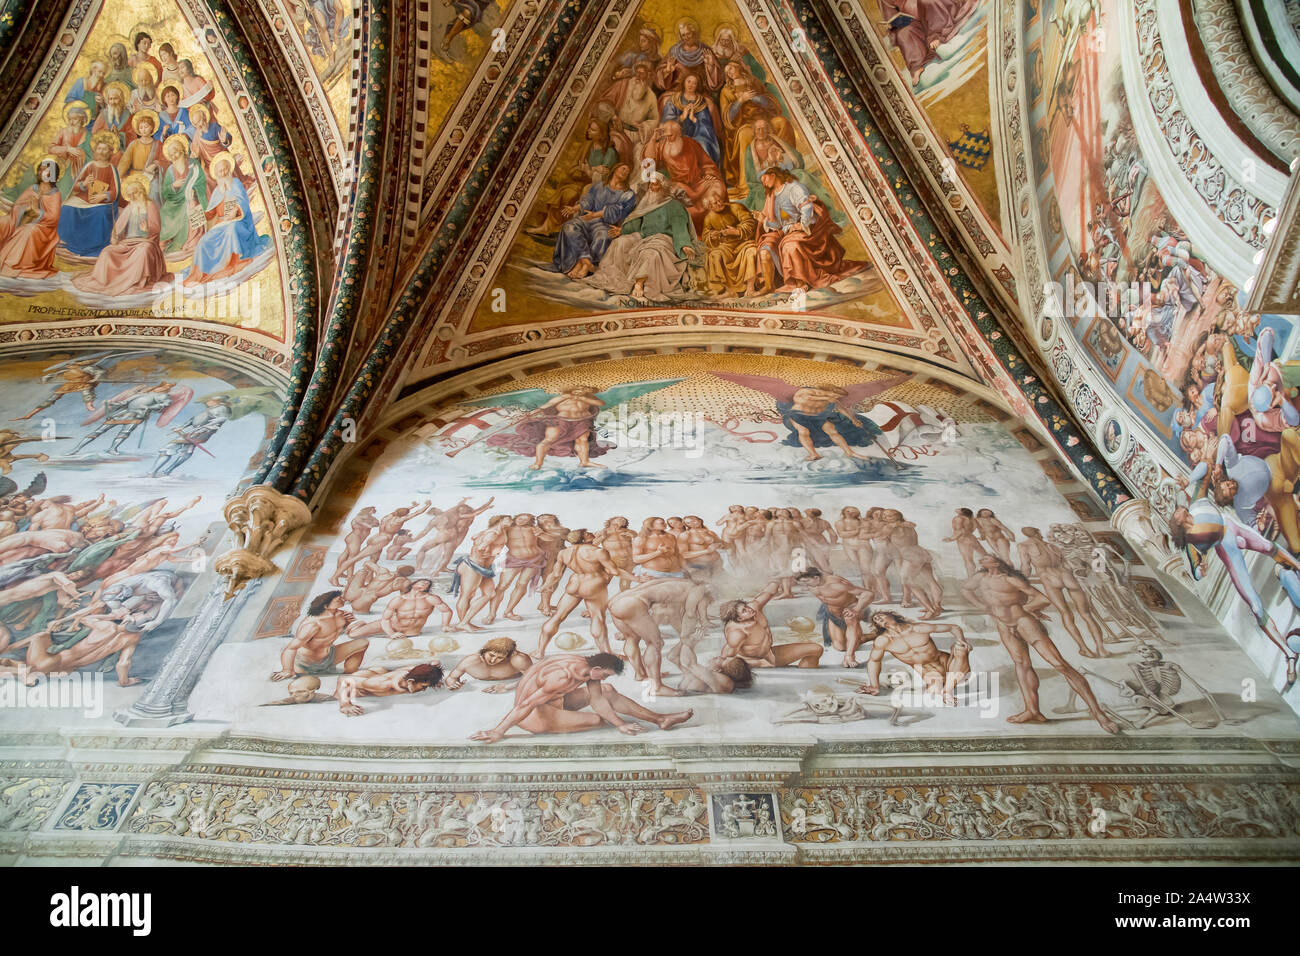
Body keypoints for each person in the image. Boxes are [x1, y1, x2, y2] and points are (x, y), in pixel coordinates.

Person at [962, 554, 1118, 732]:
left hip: (1024, 623)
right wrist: (984, 607)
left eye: (986, 558)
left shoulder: (1011, 579)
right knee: (1022, 665)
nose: (981, 560)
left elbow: (1043, 599)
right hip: (1003, 625)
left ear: (997, 563)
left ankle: (1099, 714)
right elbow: (966, 590)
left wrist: (1022, 611)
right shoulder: (979, 577)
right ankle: (1032, 711)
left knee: (1060, 665)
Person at [469, 652, 694, 742]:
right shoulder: (562, 677)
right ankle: (657, 719)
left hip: (555, 704)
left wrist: (621, 724)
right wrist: (499, 731)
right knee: (597, 720)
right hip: (535, 716)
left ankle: (660, 719)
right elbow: (527, 703)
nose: (604, 678)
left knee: (607, 692)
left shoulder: (584, 666)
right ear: (597, 668)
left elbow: (598, 699)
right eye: (605, 675)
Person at [585, 173, 697, 300]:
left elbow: (679, 226)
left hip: (664, 239)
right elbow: (637, 223)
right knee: (620, 242)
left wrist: (684, 244)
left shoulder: (673, 205)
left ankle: (640, 283)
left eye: (655, 184)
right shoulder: (647, 204)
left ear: (663, 187)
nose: (652, 187)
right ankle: (614, 276)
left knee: (650, 252)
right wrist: (623, 231)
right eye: (650, 184)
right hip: (644, 236)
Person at [607, 576, 711, 695]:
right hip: (630, 604)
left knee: (632, 637)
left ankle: (640, 674)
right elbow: (690, 613)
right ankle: (656, 687)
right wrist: (689, 634)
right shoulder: (699, 590)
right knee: (655, 643)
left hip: (618, 600)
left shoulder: (681, 583)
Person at [1018, 526, 1110, 659]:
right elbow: (1068, 564)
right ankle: (1101, 648)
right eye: (1039, 532)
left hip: (1049, 580)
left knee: (1066, 613)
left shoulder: (1023, 546)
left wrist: (1021, 583)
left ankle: (1084, 649)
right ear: (1037, 532)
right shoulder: (1052, 546)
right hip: (1067, 577)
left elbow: (1026, 567)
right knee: (1086, 614)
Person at [535, 529, 630, 657]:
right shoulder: (598, 551)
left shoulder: (564, 552)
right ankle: (606, 653)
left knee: (557, 617)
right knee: (598, 618)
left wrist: (545, 585)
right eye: (586, 533)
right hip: (592, 585)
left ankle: (539, 651)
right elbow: (614, 571)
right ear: (584, 539)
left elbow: (555, 574)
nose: (590, 533)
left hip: (574, 585)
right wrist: (635, 578)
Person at [755, 166, 851, 291]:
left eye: (765, 179)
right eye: (762, 182)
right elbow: (779, 224)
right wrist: (764, 220)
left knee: (790, 246)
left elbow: (806, 207)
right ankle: (770, 285)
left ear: (773, 175)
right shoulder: (772, 196)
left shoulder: (793, 188)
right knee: (766, 247)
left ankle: (799, 283)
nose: (764, 183)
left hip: (808, 228)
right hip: (786, 231)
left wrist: (801, 224)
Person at [72, 173, 168, 296]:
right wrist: (114, 236)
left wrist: (147, 228)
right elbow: (118, 226)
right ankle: (105, 282)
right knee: (107, 252)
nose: (133, 197)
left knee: (143, 251)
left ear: (142, 191)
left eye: (136, 193)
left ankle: (137, 281)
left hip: (146, 243)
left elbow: (157, 228)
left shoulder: (151, 206)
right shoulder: (130, 206)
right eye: (130, 195)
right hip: (128, 243)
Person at [185, 152, 270, 286]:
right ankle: (202, 273)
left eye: (225, 168)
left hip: (239, 221)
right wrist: (195, 208)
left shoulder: (235, 183)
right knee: (202, 242)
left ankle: (235, 262)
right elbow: (210, 214)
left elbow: (243, 201)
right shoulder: (217, 192)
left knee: (231, 230)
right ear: (216, 174)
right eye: (220, 171)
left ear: (229, 169)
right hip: (221, 223)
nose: (223, 172)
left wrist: (236, 210)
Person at [858, 611, 971, 705]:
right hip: (930, 673)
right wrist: (874, 685)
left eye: (881, 615)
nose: (877, 618)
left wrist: (962, 640)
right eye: (876, 620)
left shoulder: (918, 628)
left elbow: (953, 627)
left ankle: (947, 691)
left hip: (951, 665)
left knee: (960, 647)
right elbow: (874, 661)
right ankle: (945, 688)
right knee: (934, 692)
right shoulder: (883, 641)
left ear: (892, 616)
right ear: (879, 626)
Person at [486, 386, 610, 469]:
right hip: (560, 421)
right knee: (547, 440)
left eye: (584, 389)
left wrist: (582, 398)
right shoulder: (561, 398)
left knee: (582, 440)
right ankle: (538, 463)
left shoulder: (589, 399)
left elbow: (601, 403)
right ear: (572, 390)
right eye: (578, 389)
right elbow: (546, 406)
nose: (580, 390)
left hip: (581, 421)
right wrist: (534, 412)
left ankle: (584, 462)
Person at [550, 161, 636, 278]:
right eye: (623, 168)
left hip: (605, 224)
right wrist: (574, 209)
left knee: (603, 236)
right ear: (615, 169)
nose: (625, 172)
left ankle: (585, 267)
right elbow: (587, 201)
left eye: (628, 172)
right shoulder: (599, 186)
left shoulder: (628, 194)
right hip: (588, 219)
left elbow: (617, 211)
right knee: (569, 226)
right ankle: (585, 261)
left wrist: (595, 215)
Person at [719, 579, 824, 668]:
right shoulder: (737, 632)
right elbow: (726, 660)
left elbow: (768, 592)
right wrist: (759, 663)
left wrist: (777, 580)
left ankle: (806, 675)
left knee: (816, 649)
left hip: (770, 655)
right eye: (744, 611)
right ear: (739, 618)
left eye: (746, 606)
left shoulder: (754, 607)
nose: (749, 609)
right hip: (755, 662)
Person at [272, 590, 370, 680]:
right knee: (305, 682)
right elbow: (291, 648)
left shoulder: (341, 615)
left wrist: (351, 622)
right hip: (305, 663)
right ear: (325, 605)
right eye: (338, 599)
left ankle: (350, 672)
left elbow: (351, 632)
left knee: (363, 643)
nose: (343, 599)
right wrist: (287, 670)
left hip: (329, 657)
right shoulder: (313, 624)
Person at [794, 567, 873, 667]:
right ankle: (873, 635)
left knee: (850, 618)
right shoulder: (813, 584)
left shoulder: (836, 584)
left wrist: (856, 609)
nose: (805, 585)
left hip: (849, 609)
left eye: (807, 581)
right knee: (840, 647)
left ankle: (849, 656)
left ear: (816, 577)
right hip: (833, 614)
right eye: (803, 582)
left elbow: (868, 593)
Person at [58, 133, 120, 258]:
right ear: (95, 150)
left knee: (101, 213)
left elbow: (115, 191)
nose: (101, 151)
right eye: (99, 148)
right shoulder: (90, 165)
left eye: (104, 149)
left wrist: (103, 196)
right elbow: (75, 187)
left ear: (110, 152)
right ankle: (67, 241)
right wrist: (84, 184)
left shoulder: (111, 168)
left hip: (102, 201)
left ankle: (94, 246)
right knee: (67, 207)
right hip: (85, 197)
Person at [0, 158, 61, 280]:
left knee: (27, 230)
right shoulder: (33, 188)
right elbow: (17, 206)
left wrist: (37, 212)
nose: (40, 172)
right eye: (39, 169)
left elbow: (53, 218)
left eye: (45, 170)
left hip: (44, 229)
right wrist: (27, 209)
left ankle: (12, 264)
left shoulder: (54, 194)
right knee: (2, 222)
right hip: (20, 220)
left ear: (52, 173)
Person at [700, 188, 759, 296]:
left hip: (743, 242)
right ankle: (728, 290)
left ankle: (750, 288)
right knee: (715, 255)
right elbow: (706, 235)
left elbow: (750, 222)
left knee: (751, 252)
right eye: (715, 203)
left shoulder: (736, 207)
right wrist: (712, 236)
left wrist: (736, 231)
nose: (720, 203)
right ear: (710, 206)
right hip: (726, 246)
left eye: (720, 200)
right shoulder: (709, 217)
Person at [158, 133, 206, 254]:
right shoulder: (170, 170)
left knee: (190, 206)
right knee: (165, 210)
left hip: (191, 197)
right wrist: (174, 185)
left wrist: (194, 190)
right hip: (175, 200)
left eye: (176, 152)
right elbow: (165, 192)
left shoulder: (193, 163)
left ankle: (189, 240)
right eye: (171, 154)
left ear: (182, 150)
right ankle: (168, 240)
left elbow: (201, 180)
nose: (174, 156)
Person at [336, 662, 444, 716]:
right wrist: (345, 704)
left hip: (378, 674)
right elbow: (344, 680)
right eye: (423, 687)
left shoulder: (410, 672)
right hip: (357, 688)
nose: (424, 690)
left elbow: (435, 663)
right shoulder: (383, 685)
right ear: (410, 682)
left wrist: (434, 680)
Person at [444, 637, 534, 693]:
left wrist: (507, 687)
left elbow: (533, 679)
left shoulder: (518, 659)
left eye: (500, 658)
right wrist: (453, 685)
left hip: (513, 689)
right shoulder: (470, 661)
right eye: (491, 655)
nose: (493, 660)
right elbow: (451, 678)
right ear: (484, 651)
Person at [380, 578, 453, 639]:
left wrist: (445, 625)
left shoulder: (431, 598)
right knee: (367, 630)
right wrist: (391, 633)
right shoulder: (399, 599)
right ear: (413, 584)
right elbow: (385, 619)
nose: (425, 583)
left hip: (412, 633)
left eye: (427, 583)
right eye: (422, 582)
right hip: (391, 627)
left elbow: (446, 611)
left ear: (427, 588)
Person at [943, 507, 988, 576]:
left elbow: (961, 531)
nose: (957, 509)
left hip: (963, 540)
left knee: (968, 560)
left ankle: (971, 576)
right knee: (984, 555)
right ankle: (989, 571)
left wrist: (951, 538)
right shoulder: (973, 519)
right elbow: (981, 529)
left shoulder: (958, 518)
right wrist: (982, 537)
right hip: (973, 539)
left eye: (960, 509)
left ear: (962, 512)